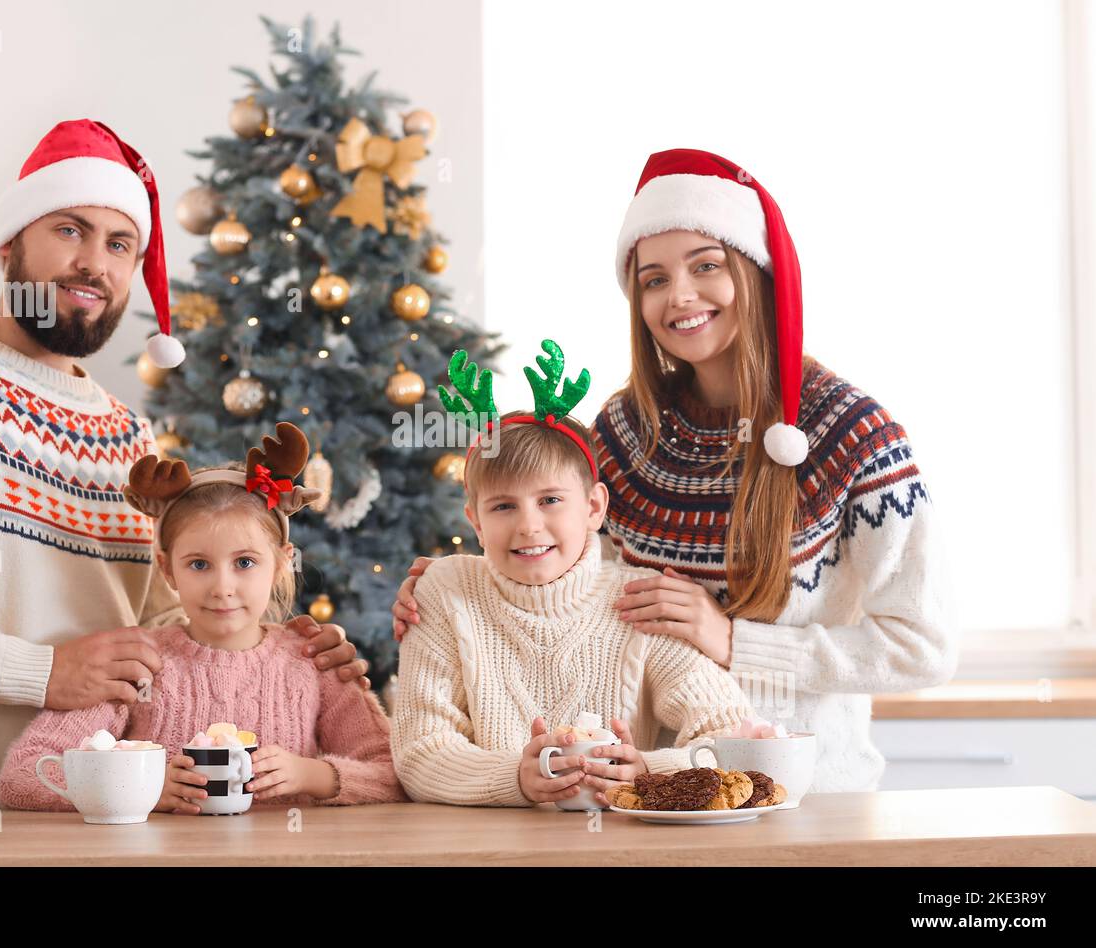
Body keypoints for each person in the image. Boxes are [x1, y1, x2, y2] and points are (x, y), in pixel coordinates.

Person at [0, 119, 366, 801]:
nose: (94, 264)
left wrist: (280, 647)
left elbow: (169, 630)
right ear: (12, 243)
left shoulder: (130, 438)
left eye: (119, 244)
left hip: (115, 818)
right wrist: (42, 673)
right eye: (69, 230)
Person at [393, 149, 958, 794]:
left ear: (754, 272)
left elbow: (922, 645)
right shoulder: (623, 433)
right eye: (654, 279)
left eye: (706, 266)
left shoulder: (851, 432)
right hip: (657, 796)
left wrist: (733, 641)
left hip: (808, 792)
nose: (679, 296)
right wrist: (455, 584)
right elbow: (570, 587)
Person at [390, 342, 758, 807]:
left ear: (593, 507)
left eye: (550, 500)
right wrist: (515, 779)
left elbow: (731, 733)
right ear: (476, 522)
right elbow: (420, 750)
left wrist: (648, 772)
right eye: (504, 506)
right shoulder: (447, 592)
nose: (528, 525)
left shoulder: (639, 601)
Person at [0, 423, 405, 811]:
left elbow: (393, 773)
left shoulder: (315, 662)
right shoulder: (136, 664)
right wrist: (139, 790)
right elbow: (23, 774)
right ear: (167, 568)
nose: (222, 587)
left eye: (245, 562)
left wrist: (314, 775)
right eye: (198, 564)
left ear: (282, 564)